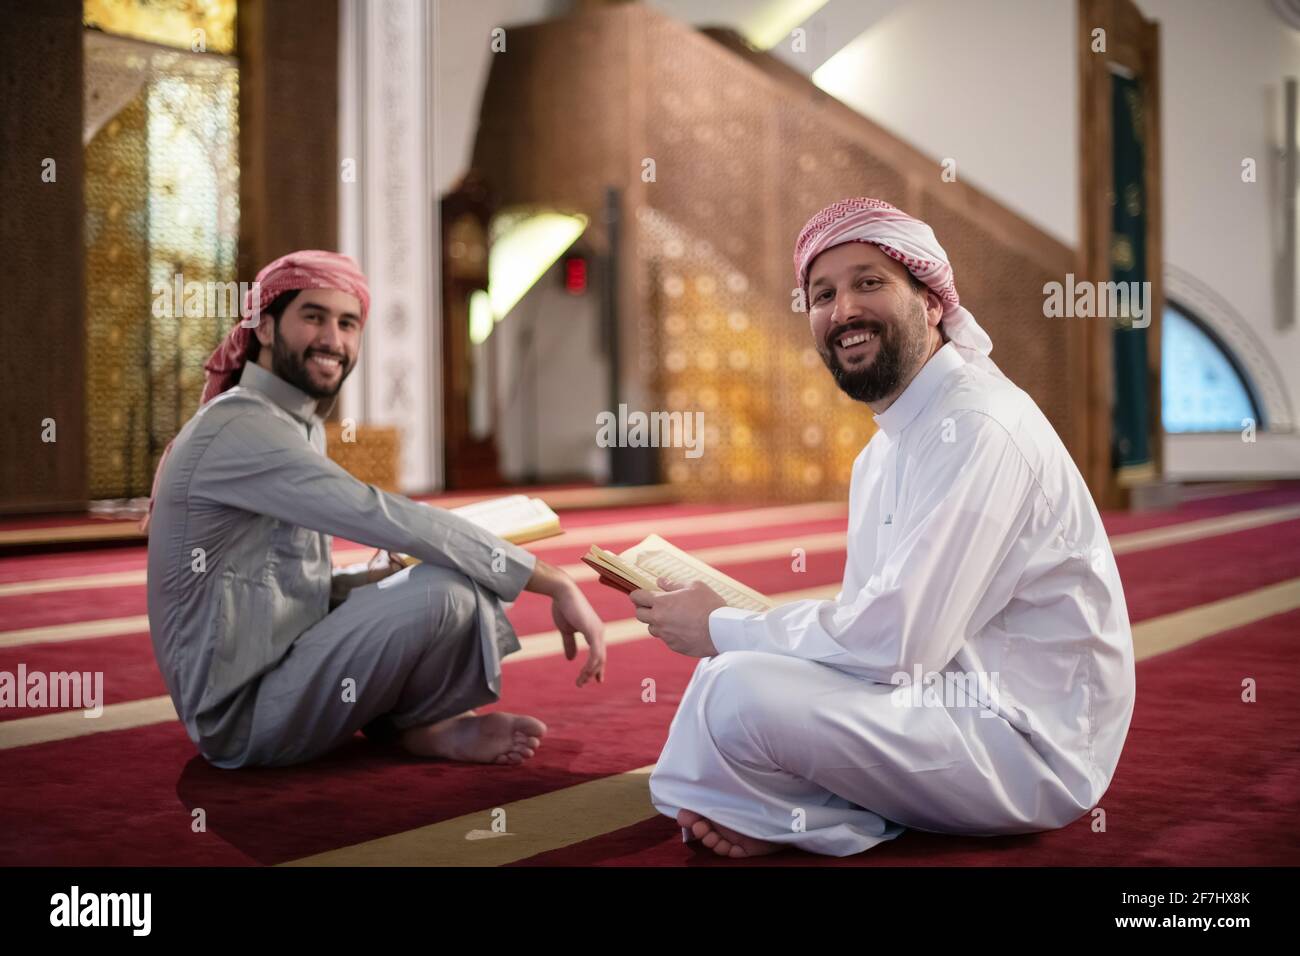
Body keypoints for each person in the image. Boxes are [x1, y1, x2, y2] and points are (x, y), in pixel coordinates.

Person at [633, 198, 1135, 857]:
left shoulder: (978, 426)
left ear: (931, 302)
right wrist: (737, 634)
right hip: (935, 700)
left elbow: (899, 643)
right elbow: (873, 635)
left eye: (869, 283)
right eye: (823, 294)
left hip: (1024, 742)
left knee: (735, 688)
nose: (843, 312)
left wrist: (720, 625)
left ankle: (802, 815)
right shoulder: (881, 455)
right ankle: (785, 809)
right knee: (732, 677)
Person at [144, 249, 606, 769]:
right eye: (313, 317)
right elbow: (380, 514)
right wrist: (555, 582)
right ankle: (421, 724)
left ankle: (417, 730)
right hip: (241, 717)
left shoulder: (298, 424)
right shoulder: (242, 429)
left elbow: (290, 585)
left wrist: (373, 579)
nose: (333, 340)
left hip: (284, 664)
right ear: (265, 327)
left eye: (348, 324)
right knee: (446, 588)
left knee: (447, 576)